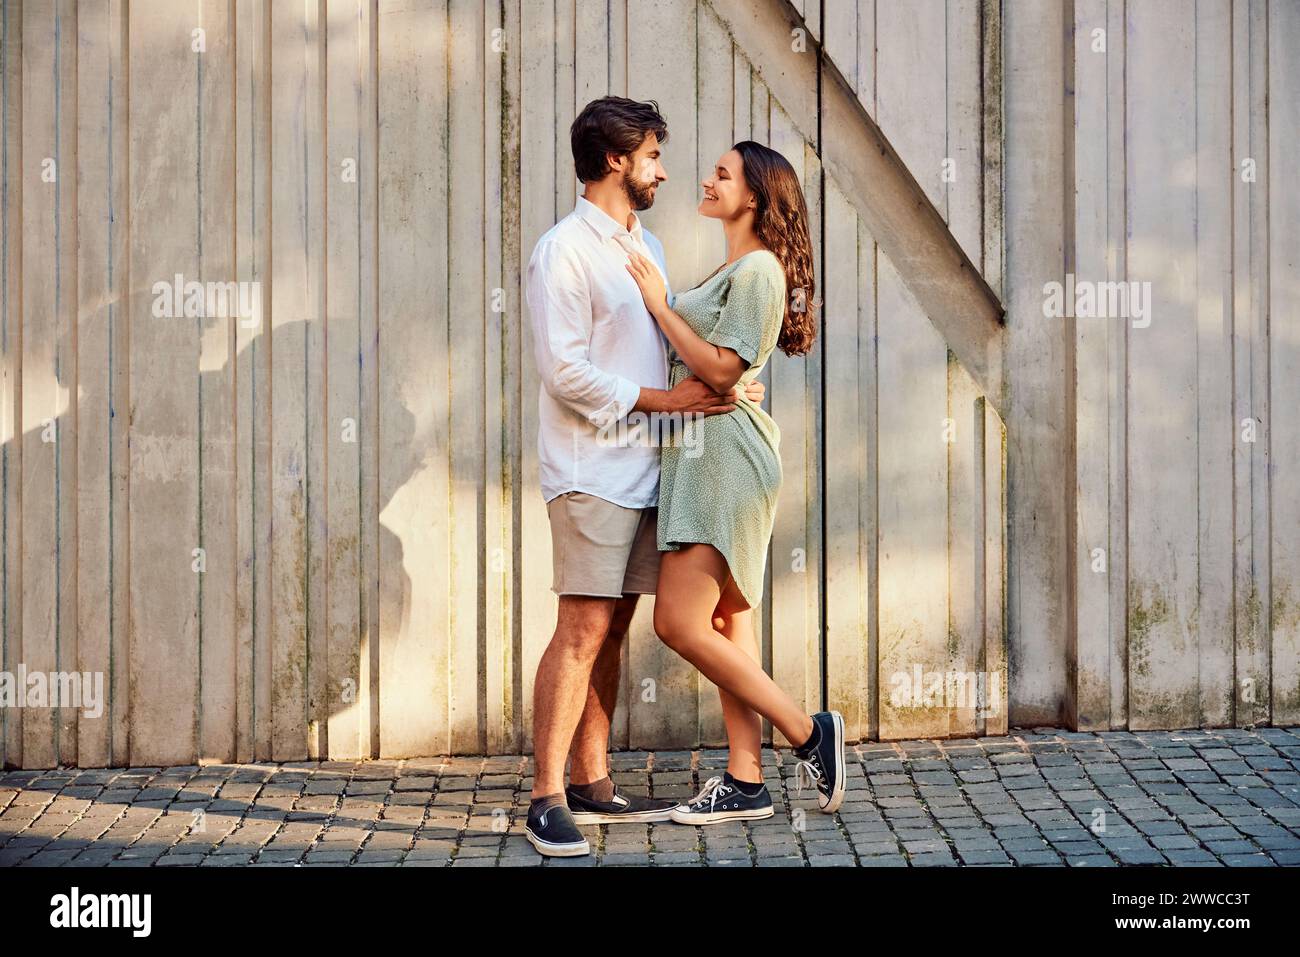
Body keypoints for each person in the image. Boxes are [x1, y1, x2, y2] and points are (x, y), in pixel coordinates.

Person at [523, 97, 766, 856]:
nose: (663, 169)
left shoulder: (647, 246)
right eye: (653, 155)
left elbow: (661, 345)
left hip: (647, 468)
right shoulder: (562, 251)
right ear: (614, 161)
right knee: (582, 625)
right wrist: (668, 399)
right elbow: (565, 372)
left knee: (618, 624)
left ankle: (595, 782)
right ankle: (545, 795)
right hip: (588, 468)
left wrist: (726, 383)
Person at [623, 140, 845, 825]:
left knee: (677, 621)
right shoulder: (743, 268)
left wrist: (662, 308)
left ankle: (810, 734)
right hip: (707, 454)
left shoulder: (758, 272)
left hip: (723, 463)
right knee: (727, 621)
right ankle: (746, 779)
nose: (708, 179)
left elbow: (721, 371)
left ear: (753, 196)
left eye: (723, 173)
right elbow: (725, 367)